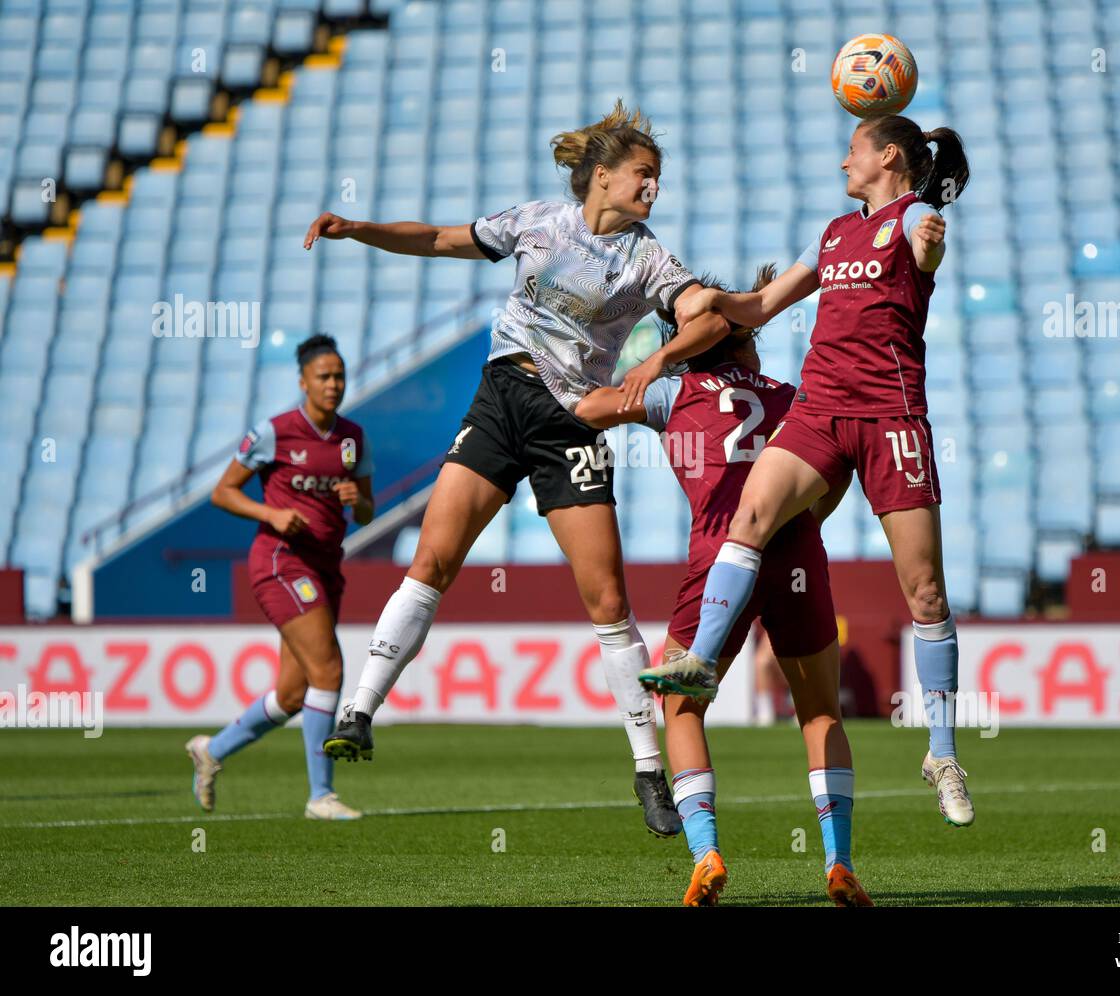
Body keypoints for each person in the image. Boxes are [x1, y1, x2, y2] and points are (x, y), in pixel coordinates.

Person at [300, 102, 729, 836]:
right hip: (502, 398)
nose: (654, 188)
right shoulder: (537, 221)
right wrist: (357, 228)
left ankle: (649, 771)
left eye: (658, 178)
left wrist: (662, 353)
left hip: (574, 422)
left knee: (606, 600)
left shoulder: (649, 256)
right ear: (601, 177)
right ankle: (360, 710)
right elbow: (439, 237)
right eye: (643, 175)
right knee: (433, 557)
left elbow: (708, 314)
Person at [637, 114, 977, 828]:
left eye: (853, 150)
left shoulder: (915, 217)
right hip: (819, 410)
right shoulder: (832, 234)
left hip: (891, 419)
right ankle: (700, 658)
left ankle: (942, 752)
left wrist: (929, 245)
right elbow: (763, 304)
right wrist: (716, 303)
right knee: (750, 518)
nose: (841, 162)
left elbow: (924, 246)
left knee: (925, 590)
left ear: (887, 156)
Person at [574, 267, 871, 906]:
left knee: (681, 706)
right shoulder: (793, 397)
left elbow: (586, 408)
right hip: (796, 554)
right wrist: (809, 518)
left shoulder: (673, 394)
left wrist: (635, 362)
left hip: (719, 561)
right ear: (743, 337)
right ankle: (838, 862)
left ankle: (706, 852)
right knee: (820, 711)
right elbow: (841, 460)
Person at [187, 334, 373, 820]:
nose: (334, 385)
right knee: (329, 670)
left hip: (327, 567)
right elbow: (223, 493)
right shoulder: (274, 432)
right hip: (281, 561)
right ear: (303, 382)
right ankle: (321, 797)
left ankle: (212, 751)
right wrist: (270, 514)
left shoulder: (352, 438)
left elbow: (368, 513)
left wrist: (360, 502)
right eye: (324, 377)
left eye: (339, 376)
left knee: (292, 694)